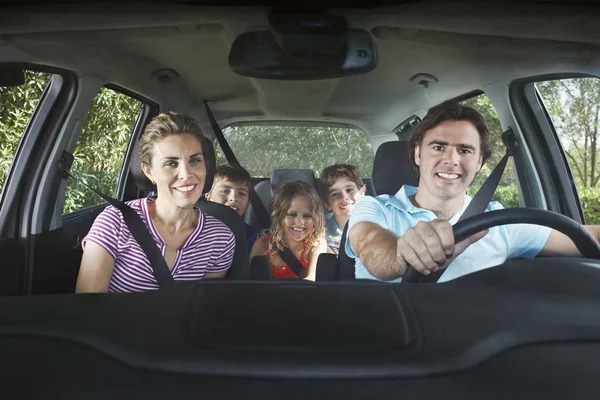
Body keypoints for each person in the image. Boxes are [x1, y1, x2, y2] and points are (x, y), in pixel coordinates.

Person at [346, 101, 600, 282]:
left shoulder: (500, 222)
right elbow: (369, 244)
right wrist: (403, 252)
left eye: (465, 151)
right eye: (438, 147)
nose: (451, 160)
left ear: (479, 162)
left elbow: (585, 238)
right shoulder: (375, 207)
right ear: (417, 153)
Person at [76, 112, 235, 293]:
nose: (186, 174)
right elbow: (87, 310)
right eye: (171, 164)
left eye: (195, 160)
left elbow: (204, 306)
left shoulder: (220, 238)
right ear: (149, 171)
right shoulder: (114, 222)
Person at [250, 180, 330, 281]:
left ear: (316, 218)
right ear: (279, 216)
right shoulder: (263, 244)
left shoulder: (316, 244)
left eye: (307, 216)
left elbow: (311, 280)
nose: (300, 222)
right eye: (292, 215)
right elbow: (253, 283)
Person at [205, 163, 258, 250]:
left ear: (248, 203)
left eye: (241, 193)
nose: (233, 198)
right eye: (225, 191)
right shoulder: (195, 230)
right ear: (209, 198)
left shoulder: (251, 236)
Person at [317, 164, 366, 254]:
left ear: (362, 192)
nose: (344, 197)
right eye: (335, 194)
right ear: (327, 203)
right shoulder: (322, 235)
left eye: (349, 190)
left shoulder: (379, 225)